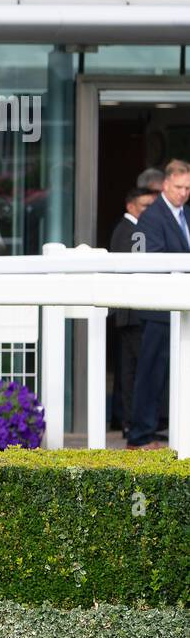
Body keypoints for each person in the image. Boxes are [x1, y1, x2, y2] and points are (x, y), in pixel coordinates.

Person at [127, 159, 190, 448]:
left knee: (172, 375)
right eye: (179, 187)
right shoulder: (152, 217)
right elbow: (149, 260)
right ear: (165, 185)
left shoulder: (185, 214)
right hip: (159, 309)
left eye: (188, 187)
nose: (184, 192)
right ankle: (140, 435)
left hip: (180, 309)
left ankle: (158, 430)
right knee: (151, 373)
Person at [107, 186, 157, 436]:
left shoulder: (126, 229)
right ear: (131, 206)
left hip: (127, 310)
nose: (149, 210)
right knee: (134, 370)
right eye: (145, 205)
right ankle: (130, 421)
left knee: (128, 368)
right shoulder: (133, 231)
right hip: (133, 311)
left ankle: (124, 420)